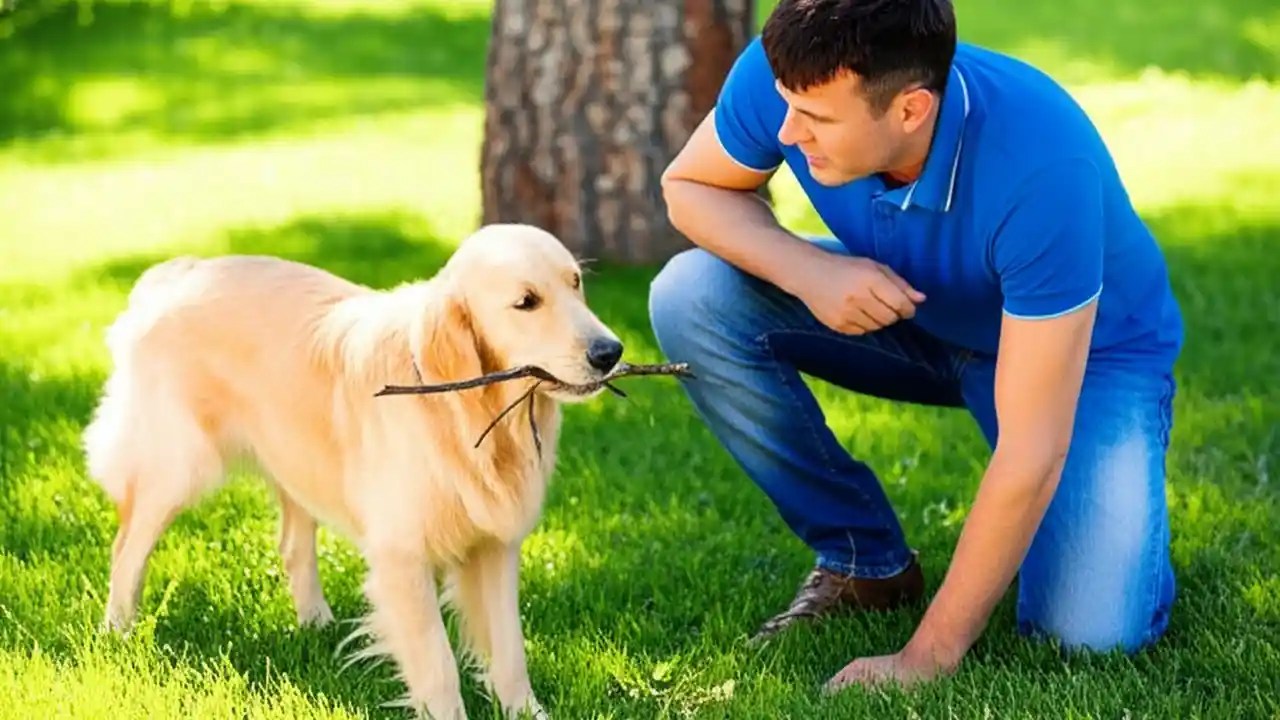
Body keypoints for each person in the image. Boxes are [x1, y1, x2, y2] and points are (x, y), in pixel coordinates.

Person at [647, 0, 1184, 692]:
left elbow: (1032, 449)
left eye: (815, 121)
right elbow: (689, 187)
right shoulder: (793, 74)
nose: (786, 132)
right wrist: (810, 271)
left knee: (1086, 636)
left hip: (1087, 359)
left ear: (910, 110)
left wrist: (925, 657)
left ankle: (1120, 529)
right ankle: (866, 563)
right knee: (691, 294)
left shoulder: (1044, 166)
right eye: (786, 108)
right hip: (915, 309)